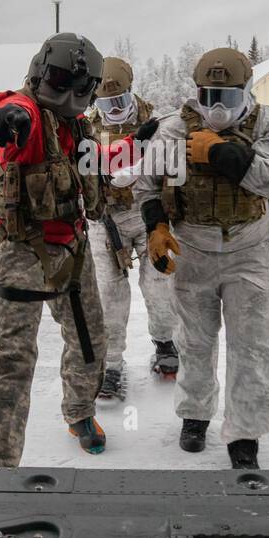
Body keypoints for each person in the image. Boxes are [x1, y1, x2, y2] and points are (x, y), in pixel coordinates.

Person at [136, 47, 269, 469]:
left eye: (227, 96)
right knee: (195, 342)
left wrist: (221, 153)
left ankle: (244, 433)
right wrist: (156, 227)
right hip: (194, 251)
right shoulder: (173, 129)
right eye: (209, 96)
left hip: (248, 252)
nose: (217, 107)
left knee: (254, 346)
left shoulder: (267, 123)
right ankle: (194, 415)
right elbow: (147, 185)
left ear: (245, 90)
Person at [0, 32, 110, 467]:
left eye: (79, 86)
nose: (67, 93)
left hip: (69, 242)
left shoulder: (79, 125)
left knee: (89, 337)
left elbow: (94, 167)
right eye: (57, 79)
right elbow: (11, 125)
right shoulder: (24, 111)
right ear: (39, 72)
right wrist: (8, 118)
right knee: (15, 354)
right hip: (20, 245)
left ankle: (79, 412)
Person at [87, 57, 178, 399]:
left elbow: (176, 169)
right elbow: (86, 168)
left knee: (160, 285)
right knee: (109, 295)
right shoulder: (86, 128)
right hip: (105, 219)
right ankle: (110, 365)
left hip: (148, 215)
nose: (114, 110)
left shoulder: (157, 123)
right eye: (106, 104)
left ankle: (166, 343)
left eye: (120, 101)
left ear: (131, 92)